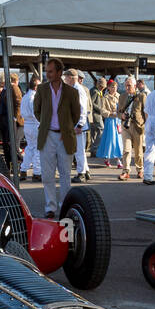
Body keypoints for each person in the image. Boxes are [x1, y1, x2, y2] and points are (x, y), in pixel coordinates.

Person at [32, 56, 80, 218]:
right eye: (47, 71)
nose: (48, 74)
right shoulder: (42, 90)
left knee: (65, 174)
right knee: (47, 174)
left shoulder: (72, 92)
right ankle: (50, 207)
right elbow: (36, 110)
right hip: (47, 136)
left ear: (60, 72)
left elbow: (76, 114)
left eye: (51, 71)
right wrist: (47, 124)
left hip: (64, 137)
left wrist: (65, 128)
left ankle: (65, 205)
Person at [65, 69, 93, 182]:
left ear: (71, 78)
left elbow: (82, 109)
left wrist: (80, 125)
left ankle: (81, 173)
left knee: (79, 150)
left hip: (78, 124)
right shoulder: (74, 89)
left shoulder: (78, 90)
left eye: (66, 77)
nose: (65, 79)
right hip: (76, 123)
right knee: (79, 150)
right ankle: (85, 171)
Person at [118, 76, 146, 180]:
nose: (127, 88)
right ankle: (125, 171)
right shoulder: (122, 96)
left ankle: (140, 170)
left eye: (129, 85)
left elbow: (145, 113)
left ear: (135, 86)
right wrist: (121, 116)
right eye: (125, 86)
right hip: (125, 126)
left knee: (138, 151)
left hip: (137, 126)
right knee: (126, 149)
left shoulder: (142, 96)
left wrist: (145, 126)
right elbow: (118, 111)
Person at [96, 79, 123, 168]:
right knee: (111, 141)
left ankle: (116, 159)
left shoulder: (119, 96)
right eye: (112, 87)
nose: (114, 88)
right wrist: (111, 113)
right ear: (108, 88)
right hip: (110, 121)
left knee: (119, 140)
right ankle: (112, 159)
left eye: (115, 87)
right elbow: (102, 110)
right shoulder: (105, 97)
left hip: (118, 121)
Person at [19, 77, 41, 181]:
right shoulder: (34, 97)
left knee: (30, 148)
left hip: (27, 124)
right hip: (34, 124)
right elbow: (35, 113)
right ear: (36, 86)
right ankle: (37, 172)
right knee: (38, 148)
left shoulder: (25, 96)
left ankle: (23, 170)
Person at [88, 77, 106, 157]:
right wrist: (100, 109)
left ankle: (93, 150)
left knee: (94, 133)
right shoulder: (95, 91)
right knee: (101, 130)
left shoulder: (97, 91)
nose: (102, 88)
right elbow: (91, 102)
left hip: (96, 115)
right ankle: (94, 149)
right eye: (102, 87)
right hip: (95, 115)